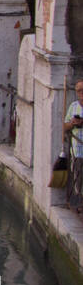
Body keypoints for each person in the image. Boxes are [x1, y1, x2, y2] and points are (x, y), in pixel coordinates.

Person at [64, 80, 83, 213]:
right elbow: (65, 126)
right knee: (78, 177)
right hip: (77, 150)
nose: (81, 93)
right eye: (79, 90)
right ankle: (79, 201)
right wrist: (72, 123)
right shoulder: (73, 106)